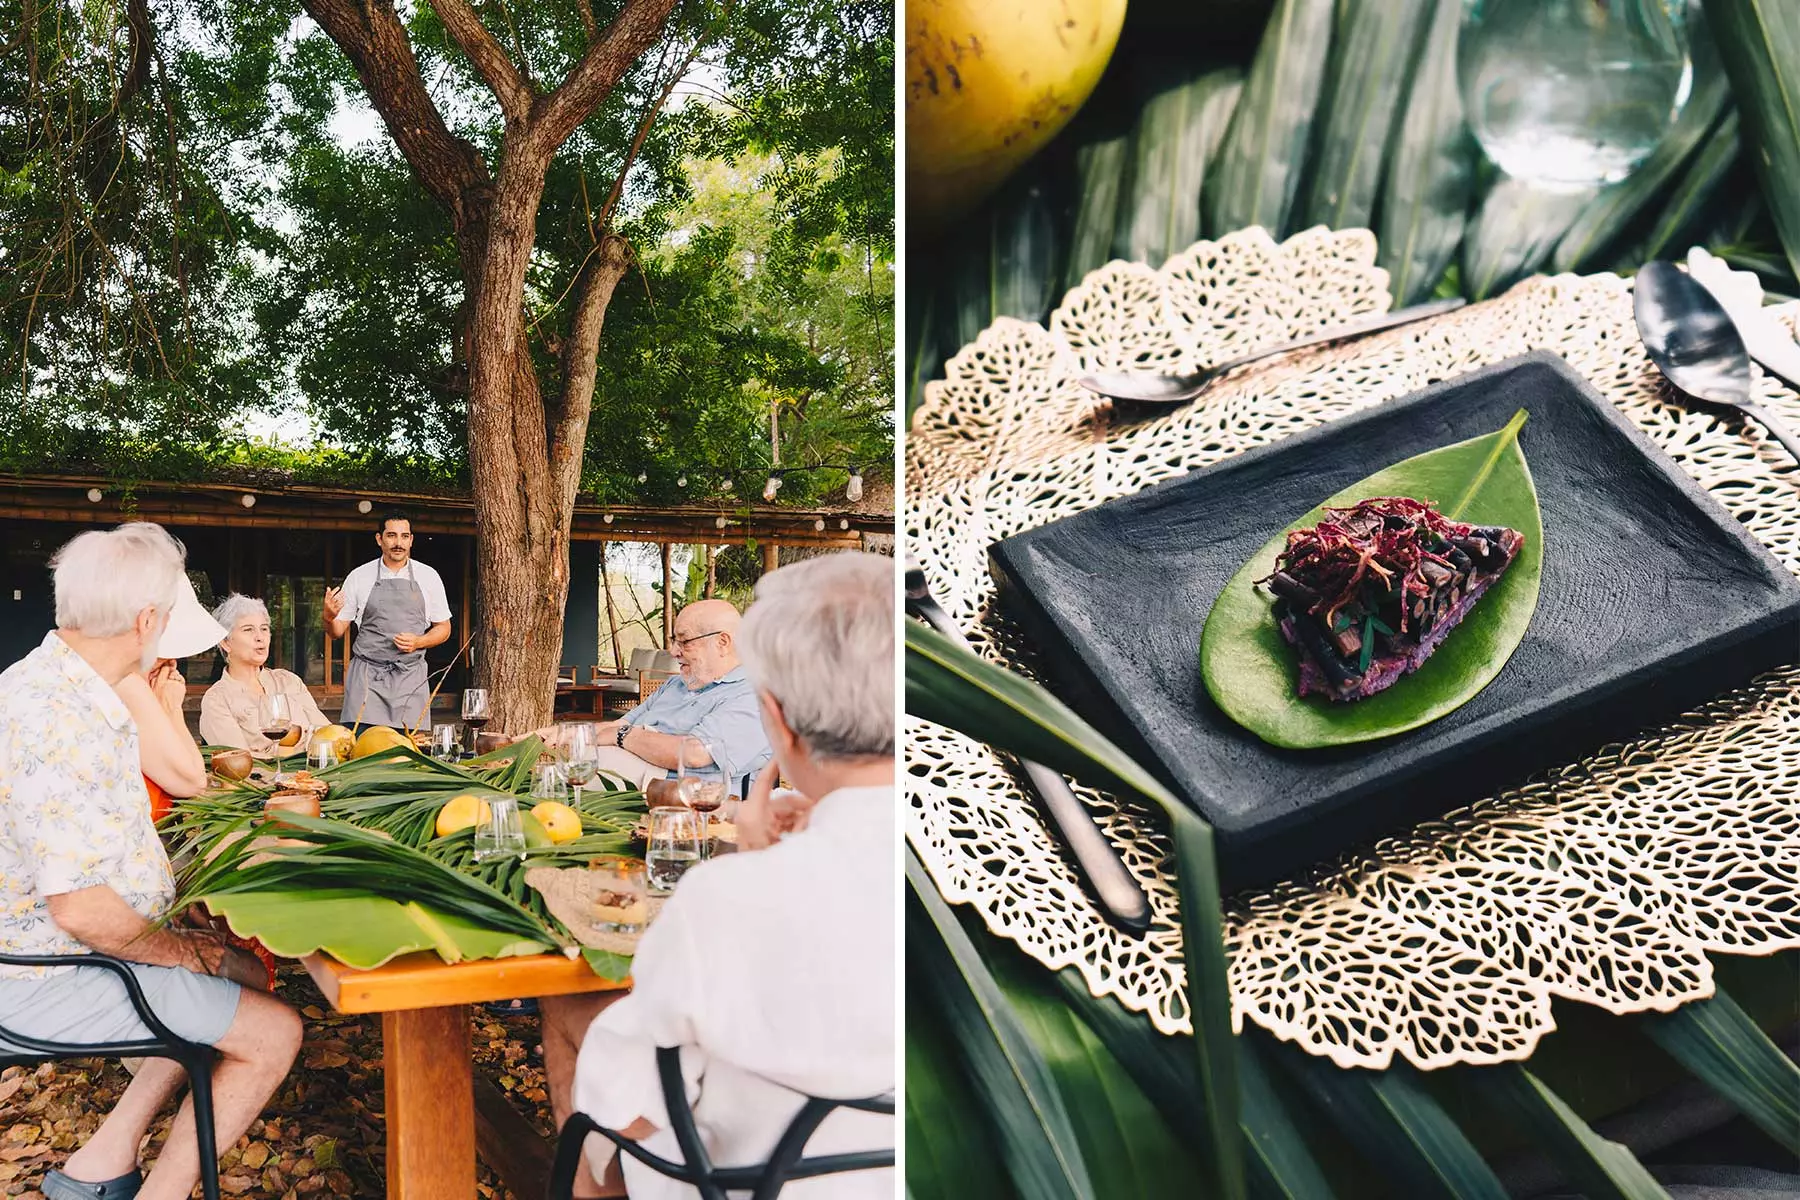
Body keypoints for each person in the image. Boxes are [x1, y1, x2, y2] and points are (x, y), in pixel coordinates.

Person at [546, 552, 895, 1199]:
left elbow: (623, 1088)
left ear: (780, 727)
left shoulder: (726, 896)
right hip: (884, 1170)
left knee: (575, 1018)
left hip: (740, 1178)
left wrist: (754, 870)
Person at [0, 523, 302, 1200]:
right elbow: (80, 908)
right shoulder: (56, 716)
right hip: (42, 973)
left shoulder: (63, 684)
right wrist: (176, 948)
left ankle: (102, 1161)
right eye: (167, 617)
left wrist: (181, 924)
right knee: (275, 1028)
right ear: (145, 621)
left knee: (235, 968)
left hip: (66, 947)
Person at [572, 599, 771, 791]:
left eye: (685, 641)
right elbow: (620, 723)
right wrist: (571, 735)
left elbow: (695, 753)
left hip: (687, 801)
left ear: (722, 642)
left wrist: (622, 736)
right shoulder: (675, 684)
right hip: (623, 787)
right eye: (675, 641)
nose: (673, 651)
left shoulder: (755, 694)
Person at [322, 510, 451, 730]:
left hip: (411, 679)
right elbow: (336, 631)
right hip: (367, 682)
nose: (398, 543)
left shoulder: (428, 576)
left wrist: (419, 642)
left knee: (409, 758)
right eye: (391, 535)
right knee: (362, 754)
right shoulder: (359, 577)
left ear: (411, 540)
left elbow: (444, 628)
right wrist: (328, 616)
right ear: (379, 539)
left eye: (404, 536)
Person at [199, 594, 331, 755]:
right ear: (225, 642)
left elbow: (327, 735)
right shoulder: (217, 699)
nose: (260, 637)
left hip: (315, 777)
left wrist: (272, 749)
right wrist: (297, 745)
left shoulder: (288, 681)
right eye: (248, 630)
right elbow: (238, 760)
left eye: (264, 629)